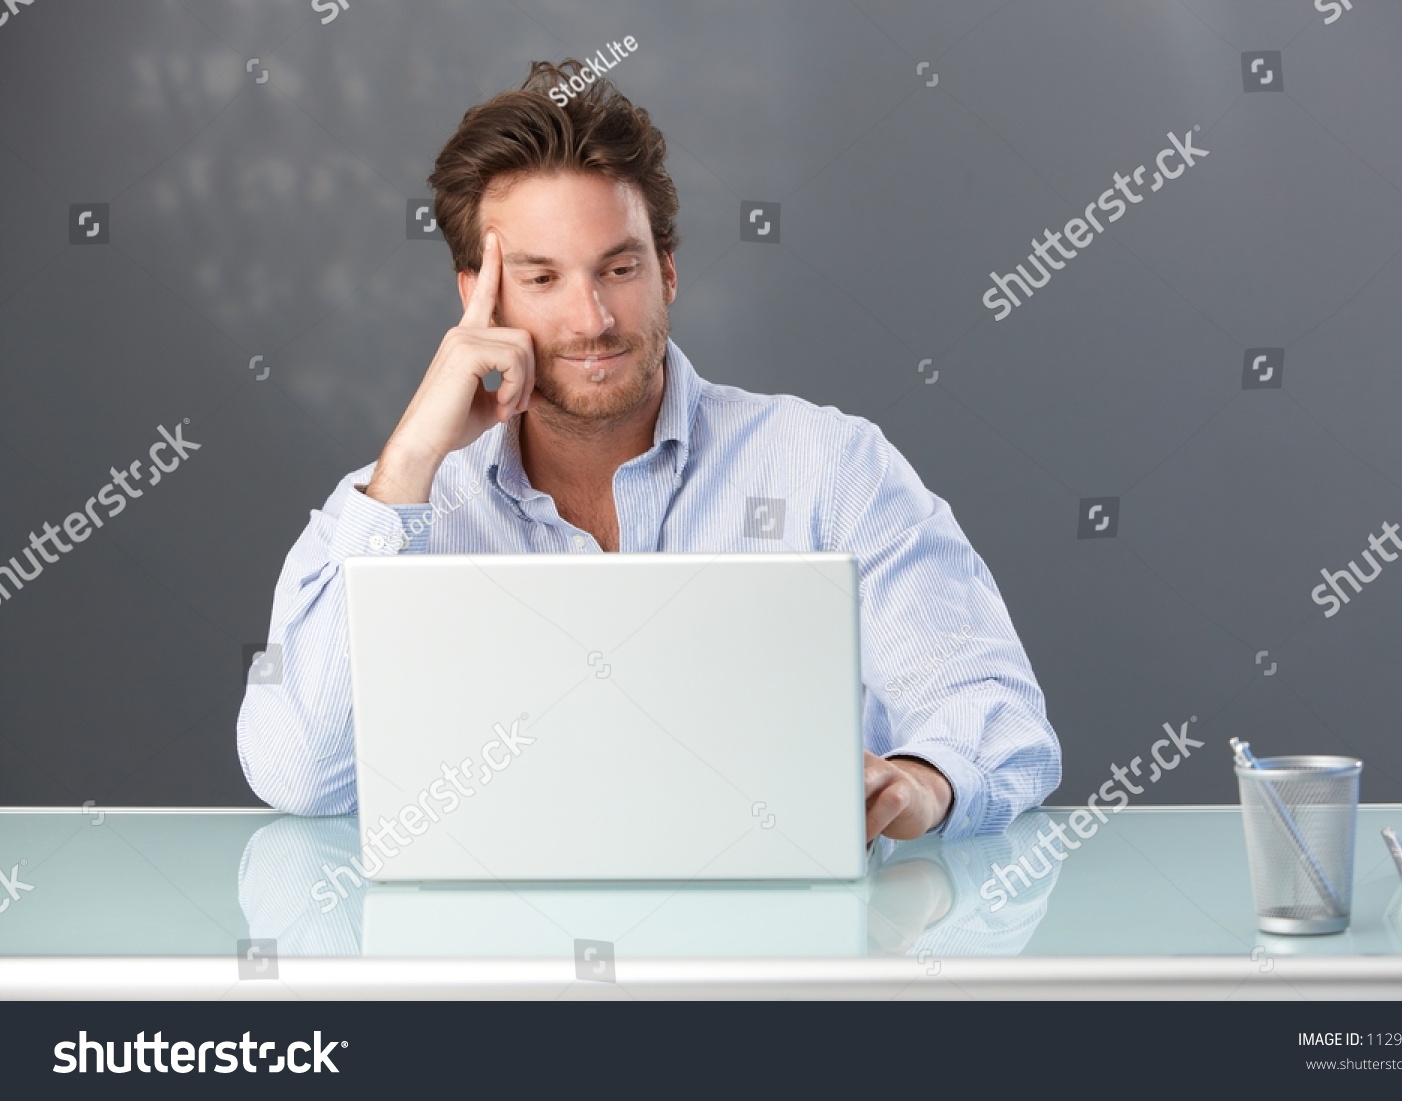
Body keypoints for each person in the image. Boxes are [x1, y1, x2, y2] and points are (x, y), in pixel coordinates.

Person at [237, 59, 1061, 842]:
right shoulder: (395, 506)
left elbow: (996, 710)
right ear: (476, 300)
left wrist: (921, 781)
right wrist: (413, 456)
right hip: (500, 936)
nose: (592, 319)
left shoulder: (830, 466)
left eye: (619, 268)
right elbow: (299, 771)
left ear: (667, 270)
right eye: (542, 278)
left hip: (782, 934)